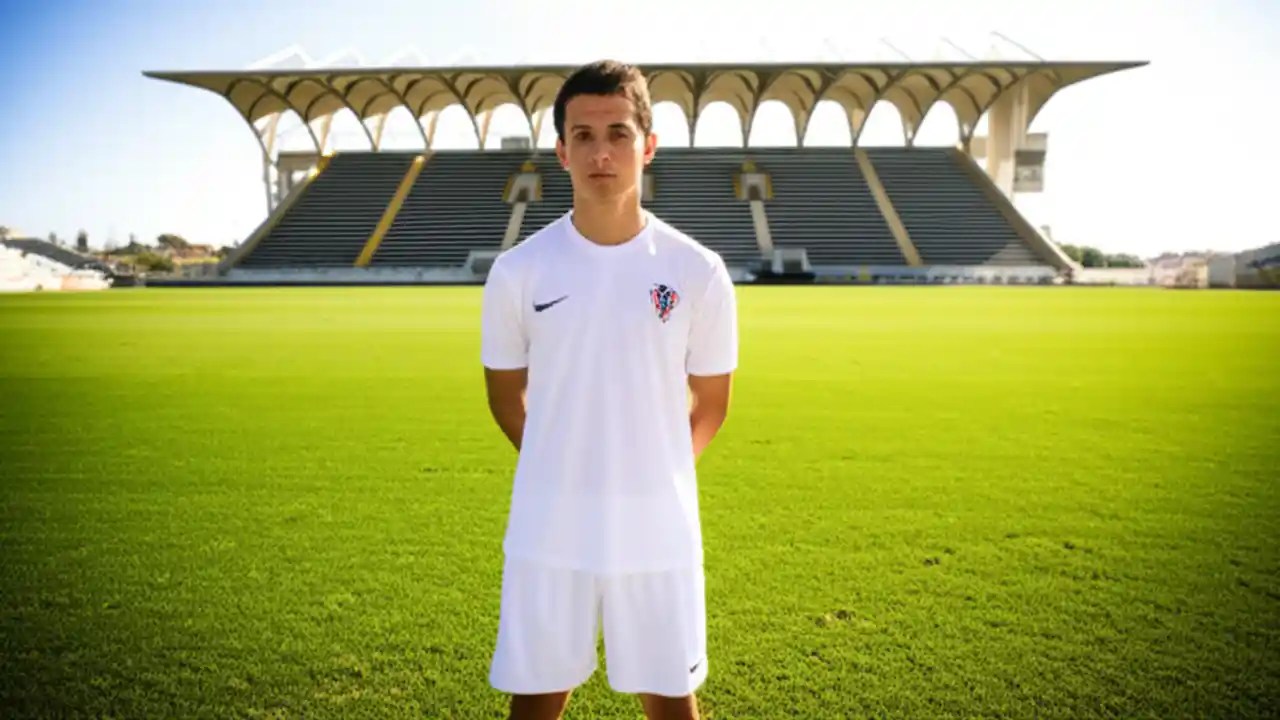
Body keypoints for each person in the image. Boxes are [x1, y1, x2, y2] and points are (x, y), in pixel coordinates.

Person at [480, 59, 739, 720]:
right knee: (535, 698)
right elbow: (505, 398)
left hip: (657, 526)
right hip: (549, 522)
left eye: (619, 133)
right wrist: (564, 466)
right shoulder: (517, 272)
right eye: (584, 135)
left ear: (648, 146)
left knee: (671, 699)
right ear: (561, 151)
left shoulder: (698, 271)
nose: (602, 152)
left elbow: (712, 405)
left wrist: (653, 473)